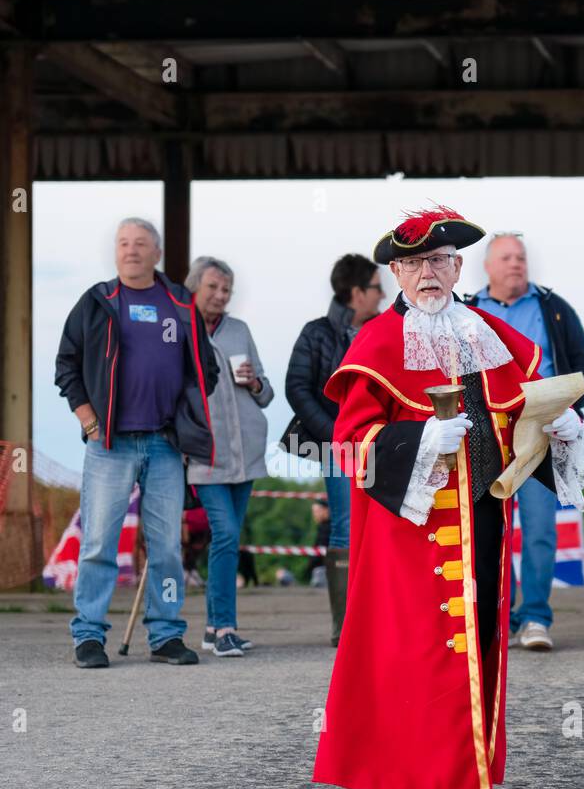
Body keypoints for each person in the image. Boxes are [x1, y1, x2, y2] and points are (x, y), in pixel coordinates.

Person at [312, 205, 584, 789]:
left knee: (477, 645)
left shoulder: (484, 332)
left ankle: (461, 775)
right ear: (397, 275)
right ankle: (410, 780)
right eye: (413, 264)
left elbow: (523, 415)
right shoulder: (380, 341)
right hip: (414, 529)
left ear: (458, 265)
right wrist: (415, 443)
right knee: (416, 649)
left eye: (438, 261)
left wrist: (562, 428)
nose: (428, 273)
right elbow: (349, 439)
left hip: (484, 519)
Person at [55, 218, 217, 668]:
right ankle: (88, 636)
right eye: (123, 243)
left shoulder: (180, 302)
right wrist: (88, 421)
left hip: (165, 444)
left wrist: (187, 421)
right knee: (99, 543)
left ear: (157, 253)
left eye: (140, 243)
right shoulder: (96, 301)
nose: (131, 250)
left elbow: (205, 369)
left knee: (166, 548)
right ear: (115, 252)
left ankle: (165, 635)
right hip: (108, 444)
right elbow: (66, 364)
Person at [465, 234, 584, 651]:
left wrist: (571, 411)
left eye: (520, 257)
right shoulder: (468, 311)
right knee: (492, 529)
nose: (516, 264)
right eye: (506, 257)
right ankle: (502, 616)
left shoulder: (553, 309)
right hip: (490, 435)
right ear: (488, 266)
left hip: (543, 431)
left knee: (540, 529)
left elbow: (583, 364)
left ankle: (536, 617)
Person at [284, 254, 384, 644]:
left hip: (383, 444)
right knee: (345, 524)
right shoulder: (316, 333)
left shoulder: (388, 329)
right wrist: (335, 434)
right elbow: (297, 388)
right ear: (357, 293)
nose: (382, 295)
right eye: (377, 287)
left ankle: (380, 618)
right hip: (339, 446)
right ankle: (345, 627)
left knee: (385, 525)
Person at [185, 256, 273, 658]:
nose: (220, 296)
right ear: (194, 288)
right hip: (205, 455)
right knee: (224, 535)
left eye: (226, 291)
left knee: (229, 540)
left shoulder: (239, 330)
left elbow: (266, 393)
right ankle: (225, 629)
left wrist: (254, 381)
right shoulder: (179, 331)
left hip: (247, 451)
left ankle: (211, 627)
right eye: (213, 289)